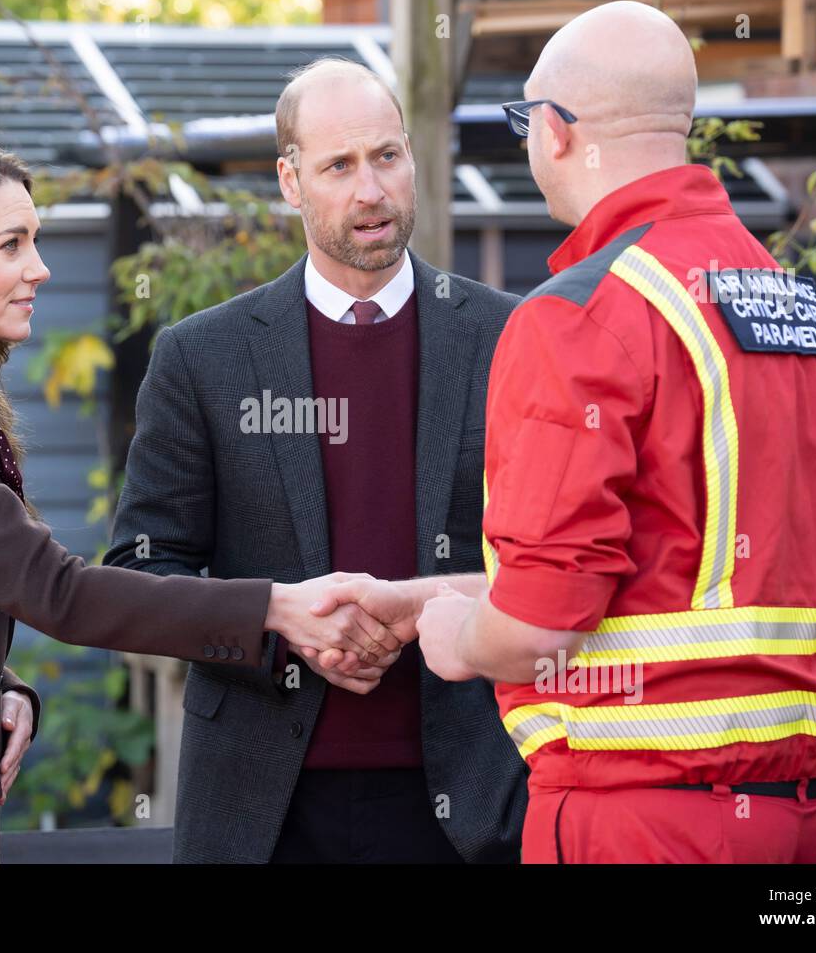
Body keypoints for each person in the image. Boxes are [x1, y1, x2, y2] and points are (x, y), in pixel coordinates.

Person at [313, 0, 816, 863]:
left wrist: (459, 640)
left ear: (556, 131)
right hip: (796, 820)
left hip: (638, 814)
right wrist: (432, 597)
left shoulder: (581, 314)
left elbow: (543, 624)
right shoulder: (804, 313)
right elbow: (676, 574)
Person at [0, 139, 403, 863]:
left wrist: (0, 686)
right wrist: (274, 608)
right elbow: (56, 591)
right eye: (11, 245)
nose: (39, 268)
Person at [105, 59, 527, 864]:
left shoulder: (511, 338)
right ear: (291, 181)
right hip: (265, 813)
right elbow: (143, 569)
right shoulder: (204, 358)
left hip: (472, 805)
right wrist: (280, 621)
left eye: (387, 156)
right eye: (339, 166)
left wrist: (422, 606)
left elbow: (551, 558)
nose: (370, 190)